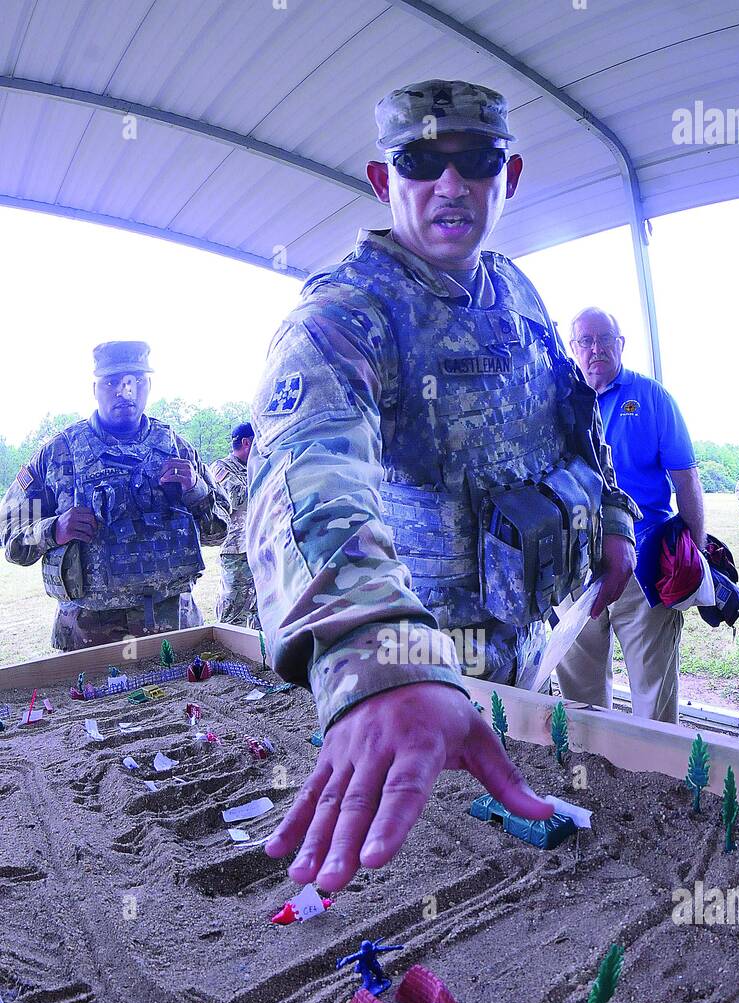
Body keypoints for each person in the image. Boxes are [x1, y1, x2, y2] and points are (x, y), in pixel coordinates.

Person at [246, 80, 640, 892]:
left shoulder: (519, 294)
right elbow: (305, 473)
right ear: (383, 181)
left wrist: (612, 517)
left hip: (526, 637)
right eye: (421, 162)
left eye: (476, 162)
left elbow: (574, 420)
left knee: (524, 883)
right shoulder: (347, 310)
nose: (450, 185)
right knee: (431, 892)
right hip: (420, 684)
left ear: (511, 176)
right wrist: (376, 653)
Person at [0, 342, 229, 651]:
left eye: (135, 380)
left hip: (173, 624)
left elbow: (221, 531)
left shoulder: (178, 449)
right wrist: (54, 529)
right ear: (94, 388)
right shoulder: (58, 455)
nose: (125, 391)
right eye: (112, 382)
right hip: (88, 633)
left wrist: (195, 490)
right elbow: (11, 535)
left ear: (149, 384)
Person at [554, 308, 705, 724]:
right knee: (579, 700)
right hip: (575, 571)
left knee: (653, 699)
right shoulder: (556, 401)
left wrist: (696, 555)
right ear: (573, 348)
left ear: (622, 343)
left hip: (646, 567)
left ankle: (660, 782)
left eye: (606, 338)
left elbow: (686, 480)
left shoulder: (653, 398)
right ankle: (588, 781)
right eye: (585, 341)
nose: (596, 348)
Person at [212, 422, 261, 629]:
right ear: (246, 442)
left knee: (261, 613)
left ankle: (260, 659)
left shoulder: (255, 468)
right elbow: (235, 497)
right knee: (234, 614)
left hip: (259, 548)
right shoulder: (221, 467)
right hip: (236, 551)